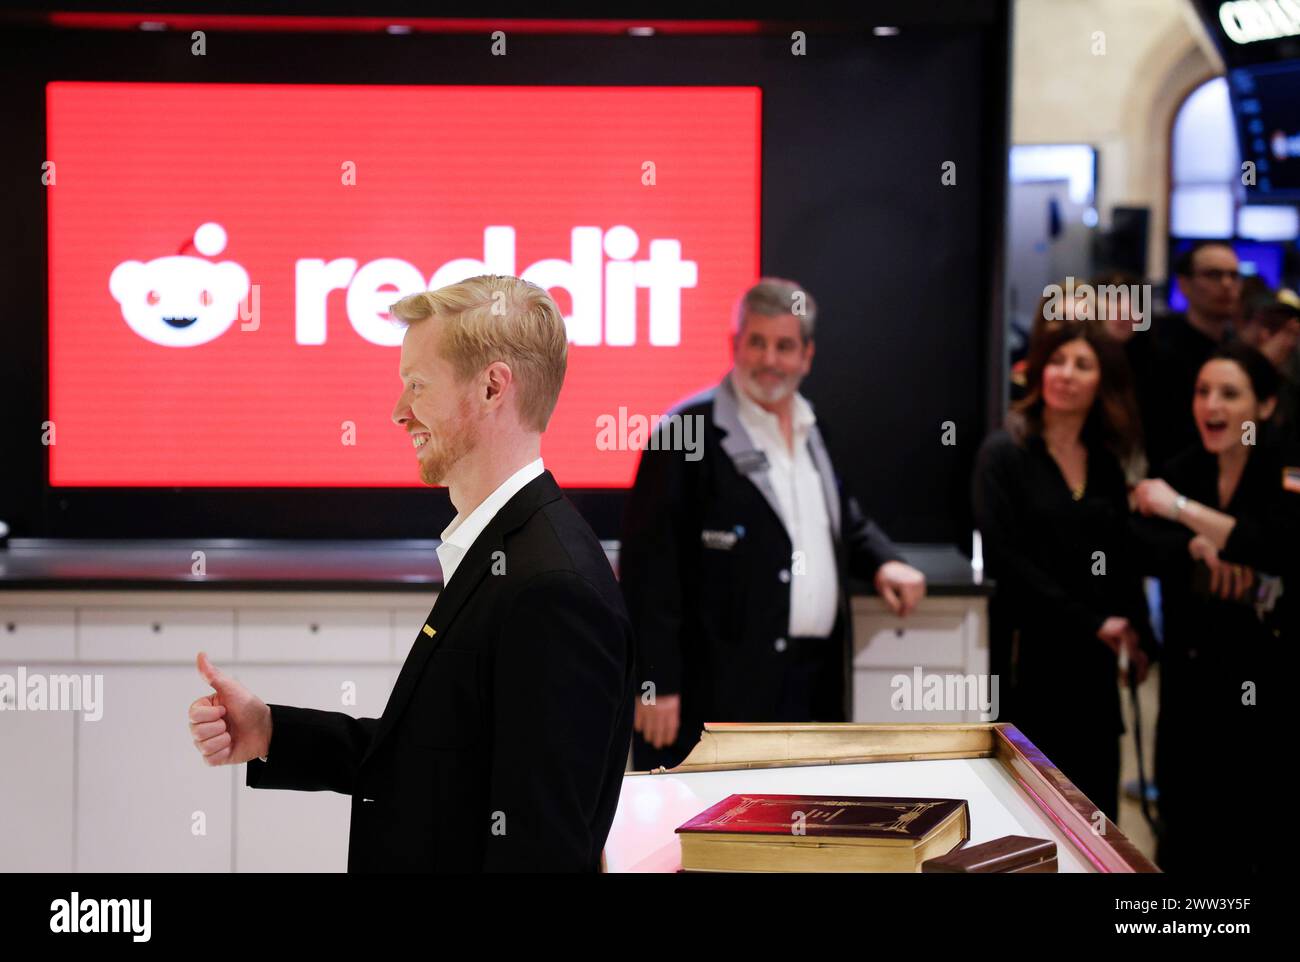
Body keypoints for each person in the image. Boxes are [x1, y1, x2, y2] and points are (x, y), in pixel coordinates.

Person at [186, 275, 635, 872]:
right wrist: (271, 731)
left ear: (492, 387)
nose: (399, 412)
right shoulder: (511, 554)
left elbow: (538, 848)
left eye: (417, 386)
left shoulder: (550, 587)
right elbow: (434, 761)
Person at [620, 278, 926, 771]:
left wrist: (885, 560)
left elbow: (840, 517)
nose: (769, 360)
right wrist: (656, 685)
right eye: (756, 342)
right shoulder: (685, 434)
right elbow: (648, 570)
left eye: (784, 346)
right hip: (711, 699)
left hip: (812, 688)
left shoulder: (814, 429)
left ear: (807, 355)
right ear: (734, 346)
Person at [974, 318, 1151, 822]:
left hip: (1095, 664)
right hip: (1030, 655)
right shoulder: (1004, 453)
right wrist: (1090, 620)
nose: (1066, 374)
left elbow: (1121, 555)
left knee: (1095, 814)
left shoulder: (1107, 462)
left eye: (1082, 365)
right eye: (1056, 361)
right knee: (1030, 815)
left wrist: (1137, 629)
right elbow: (1006, 560)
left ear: (1103, 381)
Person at [1133, 342, 1294, 873]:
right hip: (1191, 677)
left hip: (1265, 679)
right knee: (1183, 825)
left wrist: (1183, 512)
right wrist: (1192, 546)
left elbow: (1271, 545)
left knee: (1255, 824)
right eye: (1203, 392)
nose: (1211, 406)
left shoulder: (1283, 469)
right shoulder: (1185, 464)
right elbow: (1136, 538)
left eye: (1229, 393)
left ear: (1264, 407)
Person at [1127, 242, 1241, 472]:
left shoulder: (1241, 352)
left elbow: (1250, 430)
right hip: (1165, 480)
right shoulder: (1153, 345)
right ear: (1184, 284)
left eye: (1234, 275)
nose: (1227, 284)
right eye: (1214, 275)